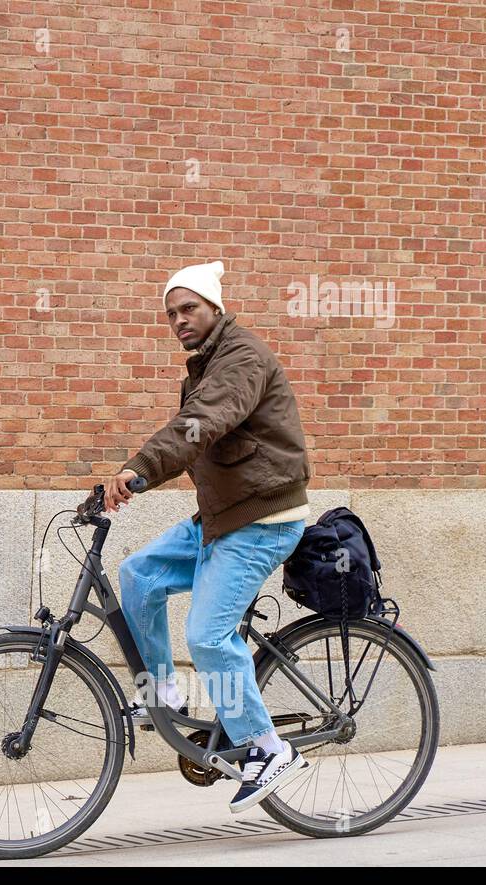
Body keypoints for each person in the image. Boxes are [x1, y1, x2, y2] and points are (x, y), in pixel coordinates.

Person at [105, 261, 313, 813]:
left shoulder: (241, 358)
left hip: (263, 520)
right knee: (139, 574)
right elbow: (198, 437)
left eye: (188, 308)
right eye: (171, 313)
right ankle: (161, 695)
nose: (178, 320)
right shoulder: (206, 366)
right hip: (223, 516)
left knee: (208, 637)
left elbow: (201, 423)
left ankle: (268, 748)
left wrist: (141, 469)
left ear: (215, 307)